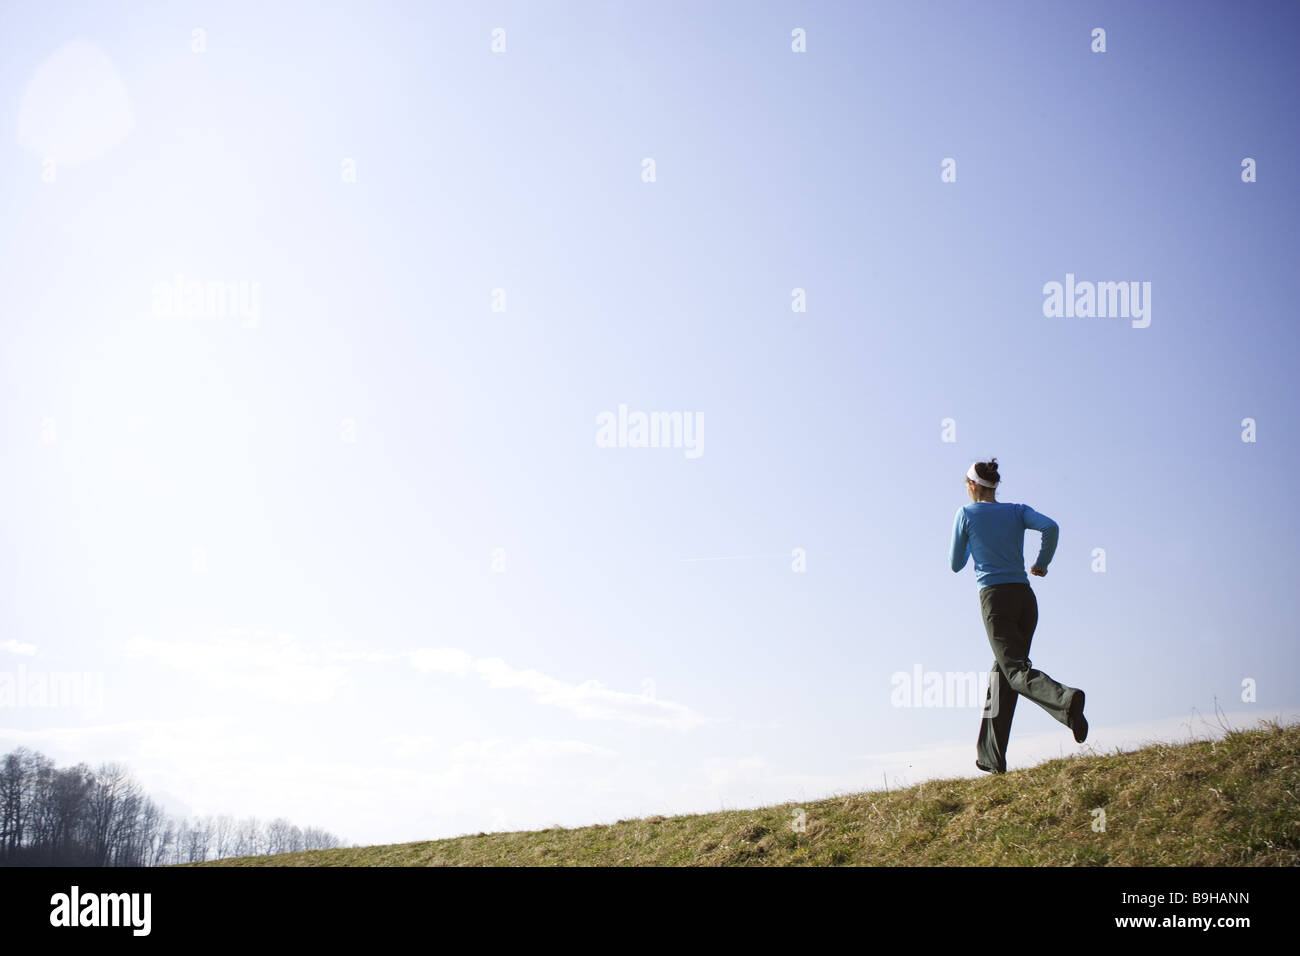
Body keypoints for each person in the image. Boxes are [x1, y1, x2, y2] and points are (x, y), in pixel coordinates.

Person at [949, 458, 1088, 774]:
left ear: (972, 485)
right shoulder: (1016, 510)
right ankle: (990, 757)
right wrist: (1042, 562)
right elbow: (1050, 527)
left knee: (1014, 671)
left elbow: (955, 564)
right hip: (1025, 599)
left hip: (995, 600)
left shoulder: (965, 514)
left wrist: (975, 541)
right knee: (1004, 673)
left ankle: (1067, 701)